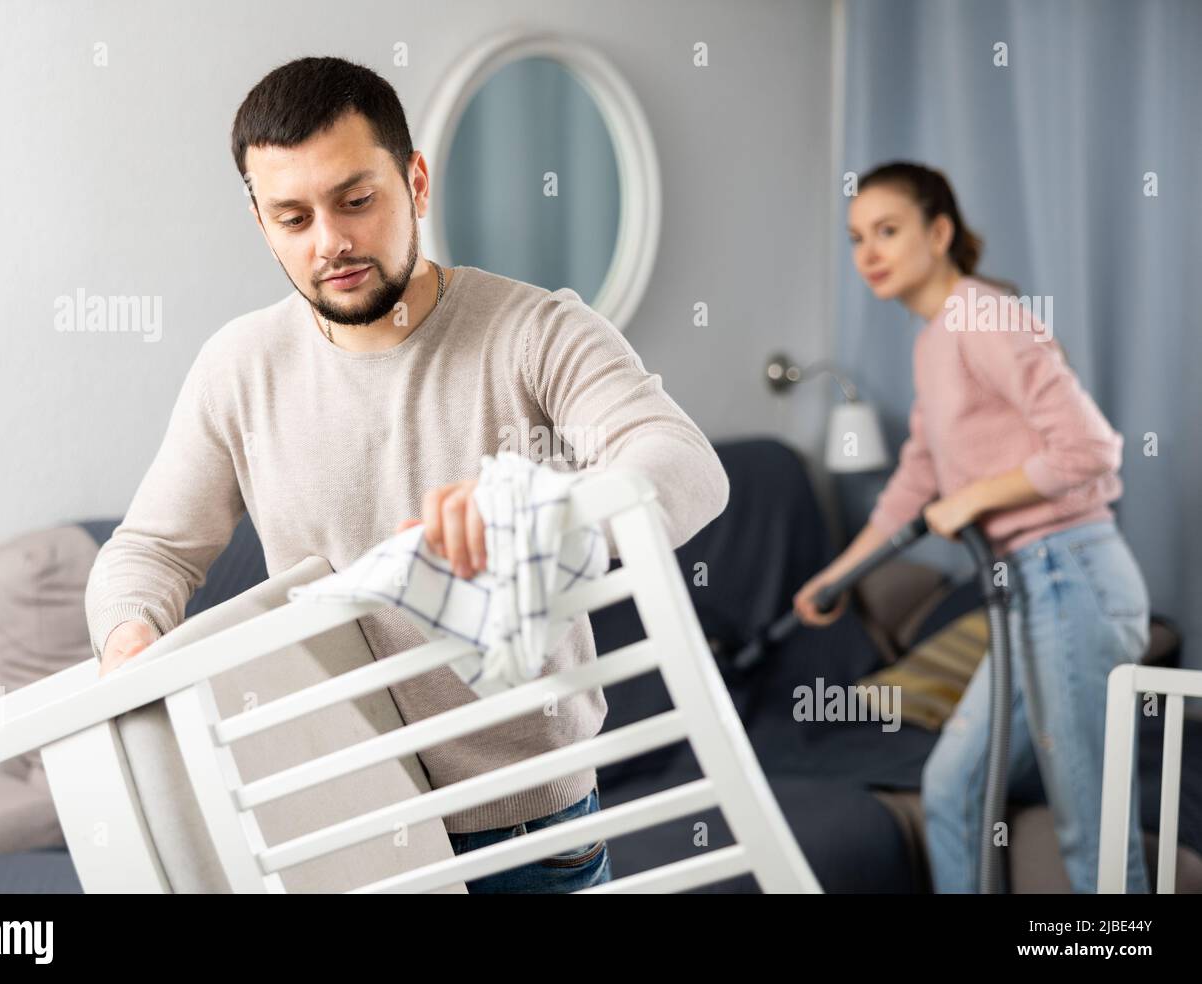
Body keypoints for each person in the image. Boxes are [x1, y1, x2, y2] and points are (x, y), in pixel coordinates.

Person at [84, 56, 729, 893]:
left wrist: (538, 516)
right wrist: (131, 636)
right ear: (261, 223)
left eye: (357, 200)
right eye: (293, 216)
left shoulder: (535, 330)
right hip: (338, 821)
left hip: (528, 826)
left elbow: (682, 466)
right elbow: (151, 552)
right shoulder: (237, 369)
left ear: (415, 180)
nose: (331, 242)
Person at [794, 161, 1151, 894]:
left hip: (1072, 577)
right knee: (951, 788)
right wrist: (838, 577)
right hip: (1029, 595)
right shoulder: (935, 342)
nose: (869, 253)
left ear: (941, 231)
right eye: (858, 237)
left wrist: (977, 497)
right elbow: (915, 484)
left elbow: (1092, 448)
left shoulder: (982, 316)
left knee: (1091, 826)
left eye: (888, 231)